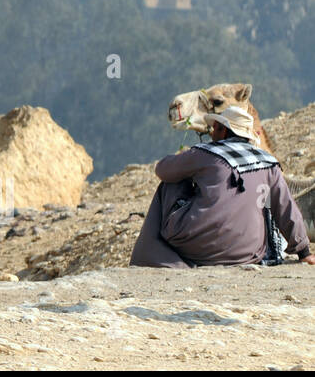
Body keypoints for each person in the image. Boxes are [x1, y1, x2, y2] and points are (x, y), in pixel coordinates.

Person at [130, 105, 312, 268]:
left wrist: (186, 162)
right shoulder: (268, 162)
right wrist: (304, 251)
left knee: (170, 182)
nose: (212, 133)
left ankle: (153, 254)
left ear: (224, 131)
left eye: (216, 128)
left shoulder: (206, 154)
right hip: (248, 252)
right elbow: (285, 207)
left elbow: (162, 170)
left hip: (200, 247)